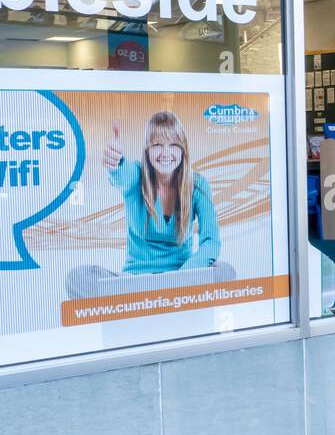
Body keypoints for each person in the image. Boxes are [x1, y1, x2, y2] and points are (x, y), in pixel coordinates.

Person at [66, 112, 231, 299]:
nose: (166, 153)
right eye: (158, 145)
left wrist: (184, 276)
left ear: (183, 149)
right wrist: (116, 163)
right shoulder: (136, 174)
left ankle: (155, 299)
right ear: (147, 149)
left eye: (174, 145)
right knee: (78, 277)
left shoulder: (198, 185)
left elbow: (211, 241)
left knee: (225, 271)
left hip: (182, 277)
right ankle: (159, 299)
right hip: (136, 281)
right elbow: (121, 175)